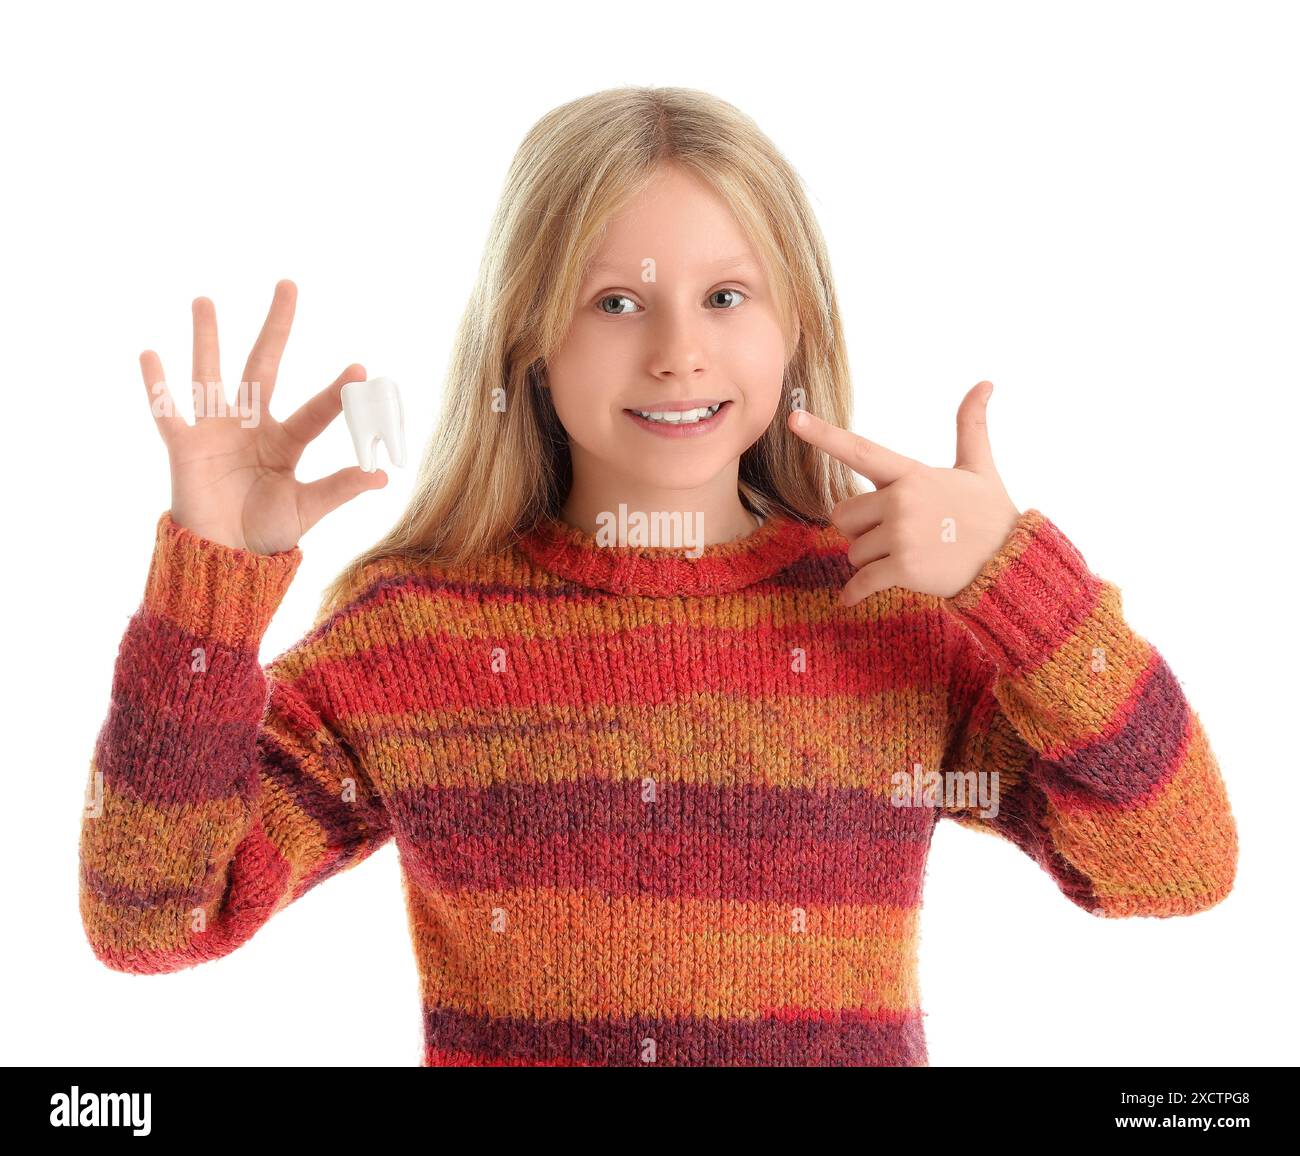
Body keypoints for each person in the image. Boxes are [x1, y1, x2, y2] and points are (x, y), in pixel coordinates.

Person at [78, 86, 1238, 1067]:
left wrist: (1018, 587)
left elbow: (1173, 863)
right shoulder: (415, 640)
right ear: (529, 336)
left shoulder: (888, 617)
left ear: (793, 324)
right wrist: (207, 592)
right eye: (617, 301)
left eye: (726, 297)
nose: (678, 348)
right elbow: (153, 919)